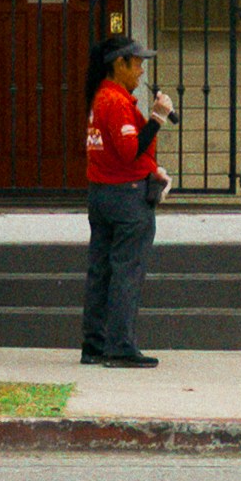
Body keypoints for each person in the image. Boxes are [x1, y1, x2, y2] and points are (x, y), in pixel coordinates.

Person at [81, 33, 171, 367]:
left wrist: (153, 167)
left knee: (100, 270)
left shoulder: (100, 98)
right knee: (126, 273)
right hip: (126, 198)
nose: (142, 71)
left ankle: (94, 345)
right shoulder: (116, 102)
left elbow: (119, 153)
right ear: (120, 64)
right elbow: (130, 151)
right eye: (138, 63)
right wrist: (158, 117)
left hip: (101, 193)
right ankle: (120, 347)